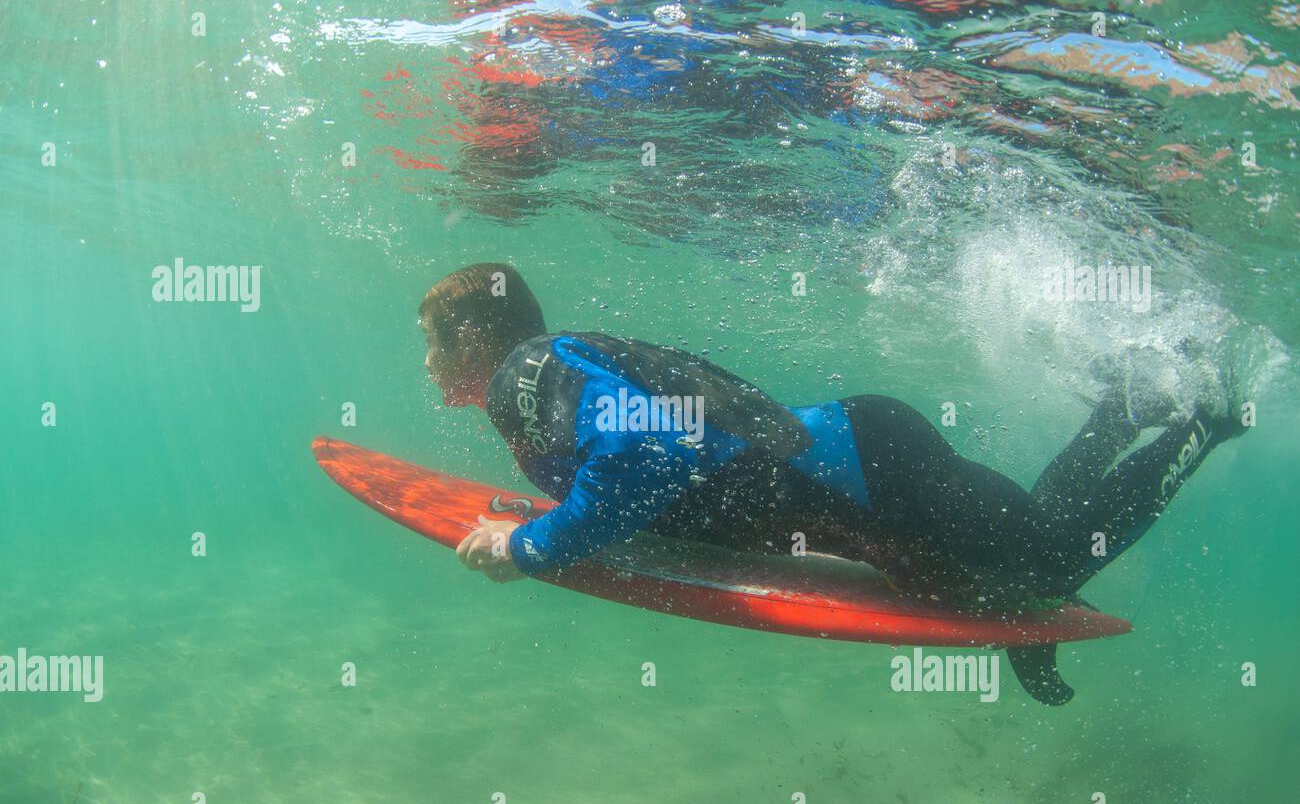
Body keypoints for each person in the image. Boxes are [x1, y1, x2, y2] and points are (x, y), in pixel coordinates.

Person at [420, 263, 1247, 703]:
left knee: (1050, 562)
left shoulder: (523, 372)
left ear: (472, 337)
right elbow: (652, 461)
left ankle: (1199, 421)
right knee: (1030, 551)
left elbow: (653, 449)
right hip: (861, 462)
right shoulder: (545, 372)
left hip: (870, 474)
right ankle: (1121, 406)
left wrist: (533, 545)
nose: (427, 364)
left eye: (432, 342)